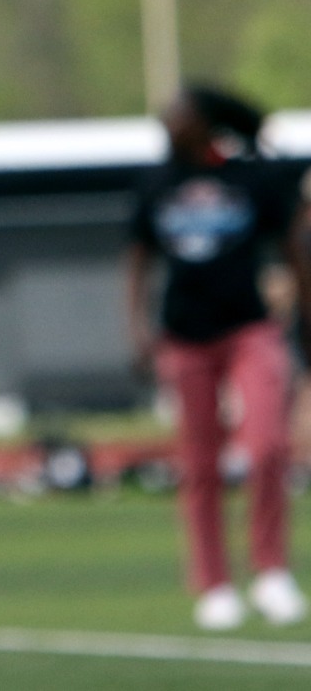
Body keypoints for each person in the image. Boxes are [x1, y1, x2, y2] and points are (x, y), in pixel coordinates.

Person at [127, 83, 311, 630]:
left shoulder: (247, 178)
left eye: (178, 112)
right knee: (200, 462)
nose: (168, 120)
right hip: (185, 335)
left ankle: (271, 571)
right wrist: (138, 329)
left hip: (250, 327)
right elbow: (136, 259)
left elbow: (292, 248)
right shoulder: (157, 182)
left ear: (204, 122)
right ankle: (214, 584)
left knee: (267, 446)